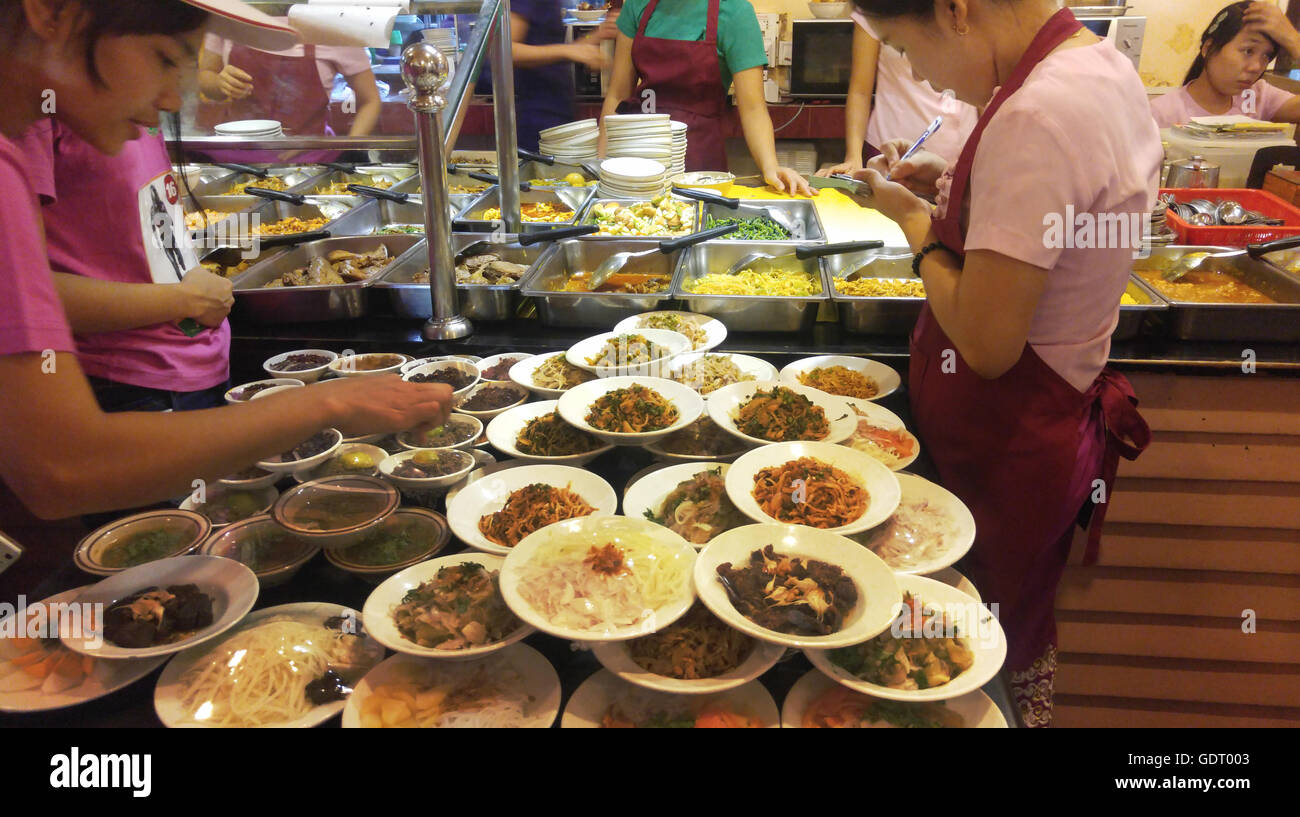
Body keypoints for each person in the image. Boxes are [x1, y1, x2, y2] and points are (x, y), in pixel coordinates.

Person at [0, 0, 453, 524]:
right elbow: (64, 467)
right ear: (52, 12)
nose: (173, 97)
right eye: (165, 58)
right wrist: (327, 404)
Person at [850, 0, 1159, 727]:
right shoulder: (1098, 68)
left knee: (959, 658)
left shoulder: (1036, 114)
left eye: (903, 47)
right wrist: (960, 183)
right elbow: (1059, 221)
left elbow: (988, 345)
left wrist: (916, 223)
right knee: (1005, 631)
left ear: (956, 10)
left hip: (1005, 448)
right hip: (1034, 440)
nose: (918, 73)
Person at [15, 117, 236, 413]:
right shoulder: (34, 121)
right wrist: (185, 300)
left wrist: (192, 277)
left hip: (201, 363)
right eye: (167, 67)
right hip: (128, 382)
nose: (169, 101)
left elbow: (150, 216)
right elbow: (24, 292)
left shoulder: (135, 107)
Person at [599, 0, 813, 194]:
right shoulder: (638, 5)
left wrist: (771, 166)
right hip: (637, 163)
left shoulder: (735, 12)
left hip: (700, 166)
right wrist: (600, 166)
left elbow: (753, 109)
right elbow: (617, 95)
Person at [817, 11, 977, 176]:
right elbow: (860, 91)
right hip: (893, 151)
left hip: (968, 149)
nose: (918, 75)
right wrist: (853, 157)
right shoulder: (876, 8)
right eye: (901, 48)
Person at [1150, 1, 1300, 129]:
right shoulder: (1160, 114)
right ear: (1208, 48)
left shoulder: (1256, 97)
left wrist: (1294, 41)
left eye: (1266, 55)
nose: (1256, 67)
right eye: (1248, 51)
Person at [510, 0, 613, 153]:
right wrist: (566, 51)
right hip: (536, 116)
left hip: (557, 111)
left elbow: (550, 49)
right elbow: (506, 50)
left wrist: (596, 36)